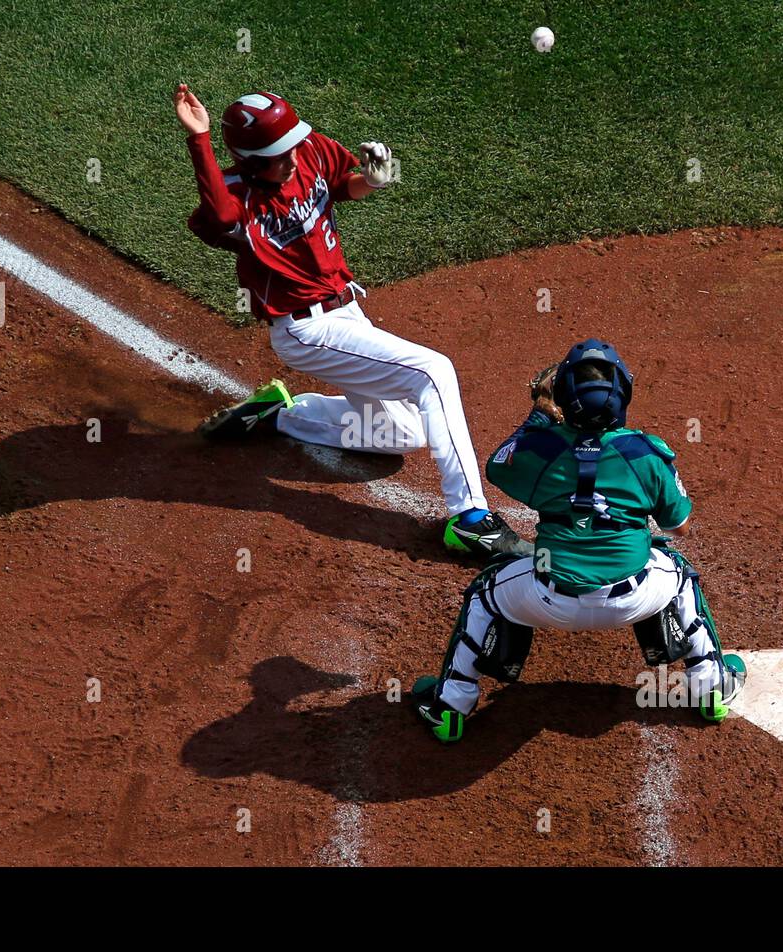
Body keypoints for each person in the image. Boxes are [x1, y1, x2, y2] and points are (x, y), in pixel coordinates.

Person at [174, 85, 529, 560]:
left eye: (293, 144)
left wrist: (375, 180)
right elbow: (217, 218)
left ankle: (278, 414)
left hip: (348, 313)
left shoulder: (310, 149)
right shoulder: (238, 197)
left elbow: (344, 183)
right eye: (279, 155)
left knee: (403, 436)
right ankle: (470, 519)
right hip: (307, 332)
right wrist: (198, 139)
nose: (294, 158)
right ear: (252, 161)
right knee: (434, 371)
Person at [411, 339, 746, 742]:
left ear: (565, 398)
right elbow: (681, 526)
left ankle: (450, 707)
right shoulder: (645, 454)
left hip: (547, 598)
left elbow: (498, 466)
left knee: (486, 590)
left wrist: (540, 416)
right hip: (634, 599)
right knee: (678, 572)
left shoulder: (541, 451)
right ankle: (711, 690)